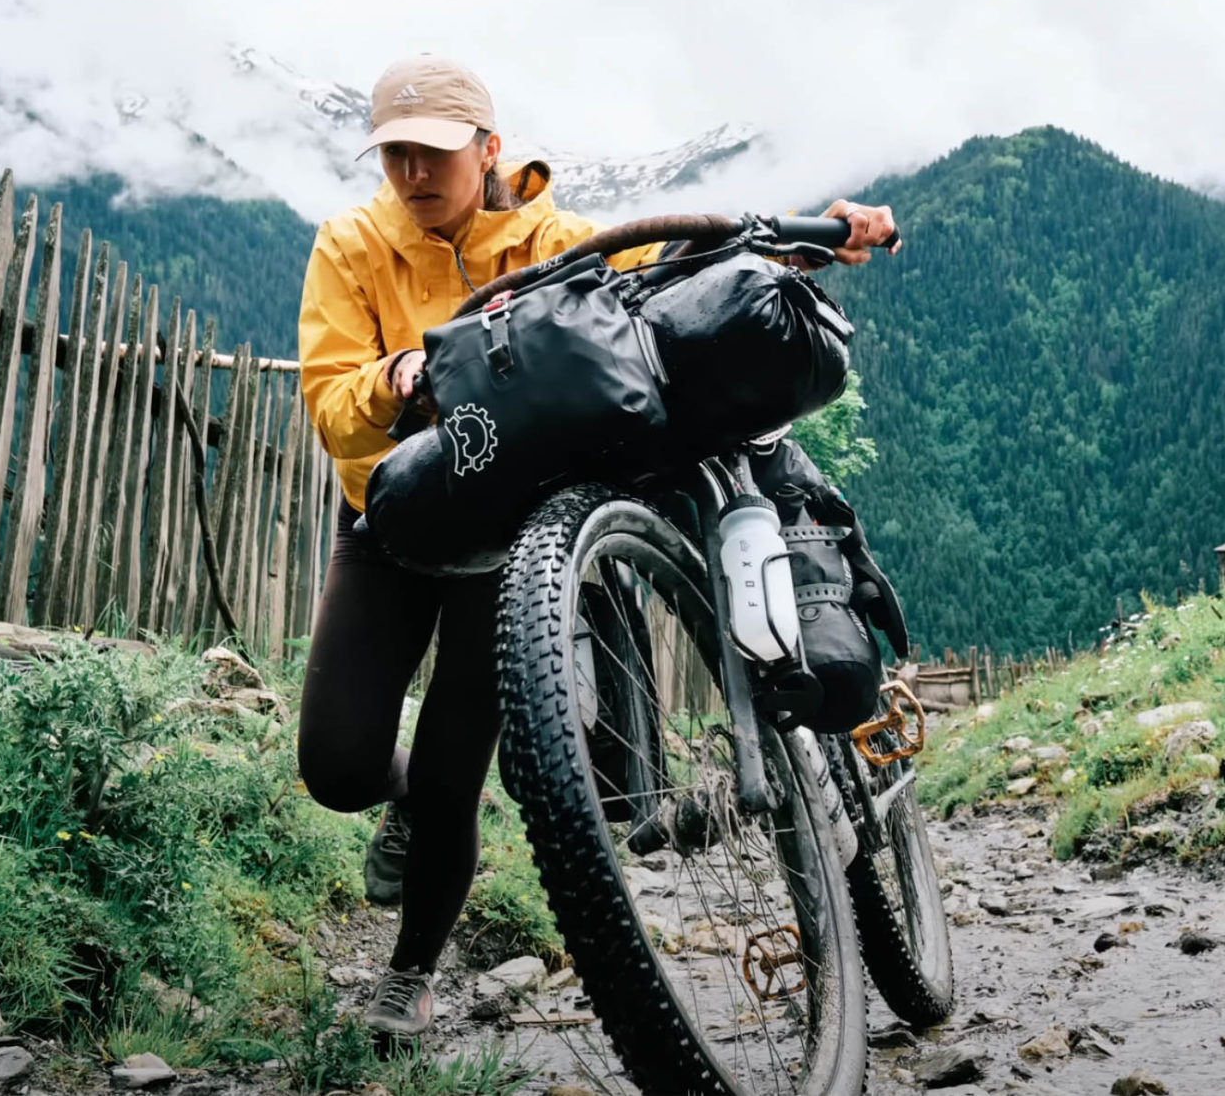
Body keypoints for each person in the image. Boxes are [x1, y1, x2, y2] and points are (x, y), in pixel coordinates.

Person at [294, 55, 898, 1037]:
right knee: (337, 765)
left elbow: (675, 295)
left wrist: (811, 249)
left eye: (432, 154)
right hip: (392, 522)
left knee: (455, 775)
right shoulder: (353, 245)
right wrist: (396, 377)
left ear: (487, 150)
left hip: (512, 538)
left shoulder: (558, 242)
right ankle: (394, 795)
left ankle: (407, 976)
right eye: (395, 154)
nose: (411, 174)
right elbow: (330, 399)